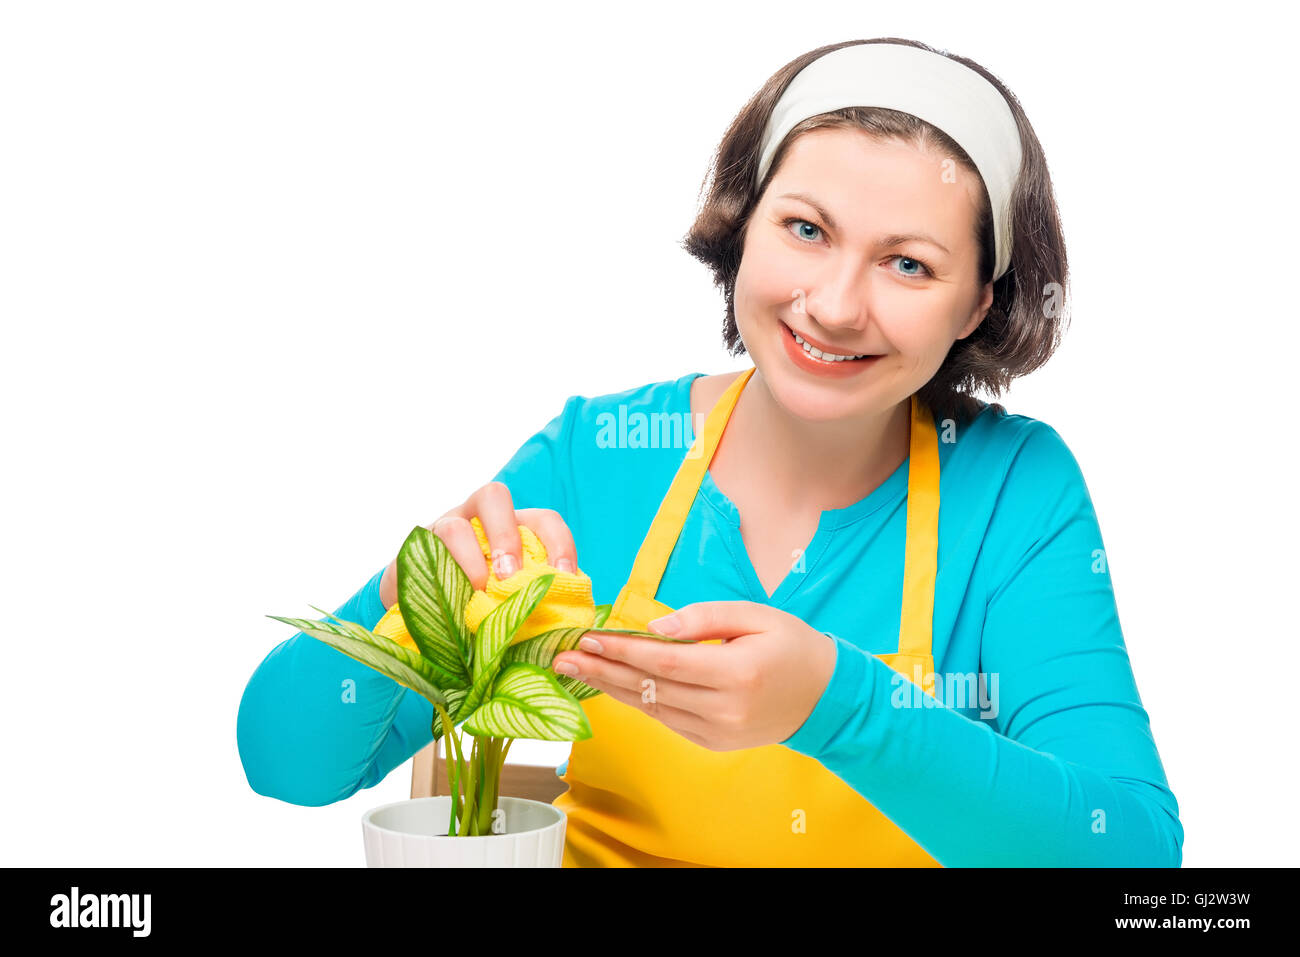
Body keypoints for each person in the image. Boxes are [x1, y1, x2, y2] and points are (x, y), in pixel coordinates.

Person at [238, 37, 1183, 867]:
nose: (836, 304)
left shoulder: (1015, 492)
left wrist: (838, 707)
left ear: (979, 302)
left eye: (909, 264)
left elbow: (1132, 848)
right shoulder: (599, 457)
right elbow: (284, 763)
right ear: (745, 224)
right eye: (805, 230)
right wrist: (415, 610)